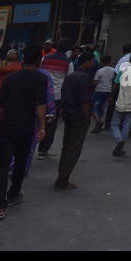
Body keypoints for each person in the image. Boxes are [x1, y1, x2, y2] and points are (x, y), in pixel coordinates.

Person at [0, 45, 47, 220]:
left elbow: (1, 105)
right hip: (26, 127)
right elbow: (40, 104)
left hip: (7, 125)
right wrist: (43, 126)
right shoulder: (40, 79)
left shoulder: (11, 79)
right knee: (21, 162)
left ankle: (0, 205)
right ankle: (13, 193)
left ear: (23, 60)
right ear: (38, 60)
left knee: (3, 165)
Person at [54, 53, 94, 191]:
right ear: (87, 62)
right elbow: (84, 101)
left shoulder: (71, 76)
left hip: (68, 114)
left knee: (67, 146)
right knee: (74, 148)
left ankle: (62, 176)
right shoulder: (84, 78)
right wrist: (87, 116)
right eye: (91, 61)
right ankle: (63, 180)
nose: (92, 63)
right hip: (78, 116)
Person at [37, 38, 72, 158]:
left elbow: (40, 72)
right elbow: (68, 80)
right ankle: (43, 149)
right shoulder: (68, 62)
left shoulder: (45, 58)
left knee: (39, 118)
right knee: (52, 122)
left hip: (42, 92)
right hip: (57, 96)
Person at [110, 54, 131, 157]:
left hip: (121, 100)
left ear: (130, 59)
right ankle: (121, 145)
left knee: (114, 123)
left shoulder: (123, 69)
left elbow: (116, 83)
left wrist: (112, 95)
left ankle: (119, 139)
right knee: (127, 124)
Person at [91, 54, 115, 133]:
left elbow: (95, 82)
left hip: (99, 91)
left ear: (102, 61)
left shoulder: (100, 71)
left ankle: (98, 122)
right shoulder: (113, 70)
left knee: (93, 107)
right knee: (101, 108)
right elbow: (114, 82)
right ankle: (97, 126)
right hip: (108, 91)